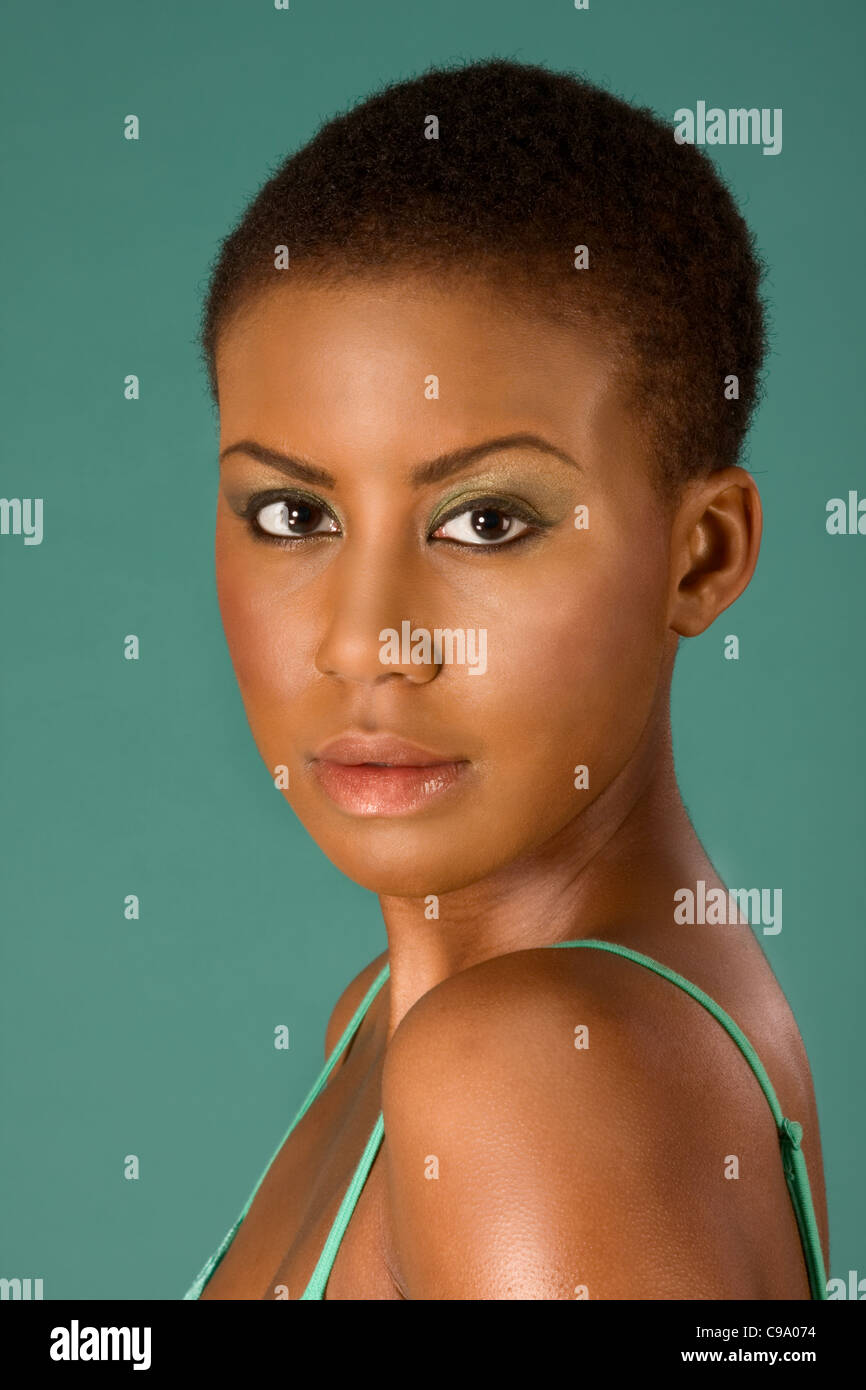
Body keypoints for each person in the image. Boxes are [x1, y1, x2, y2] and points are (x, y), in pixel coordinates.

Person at [185, 57, 829, 1300]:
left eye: (484, 521)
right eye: (290, 511)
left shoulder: (534, 1070)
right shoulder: (383, 1019)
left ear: (700, 557)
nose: (366, 641)